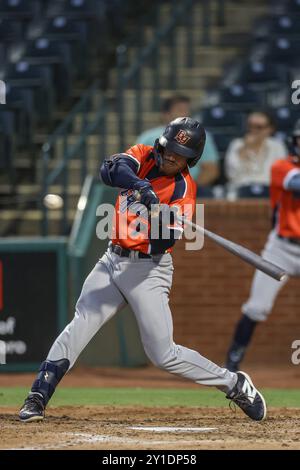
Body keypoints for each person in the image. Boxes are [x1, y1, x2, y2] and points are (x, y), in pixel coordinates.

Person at [19, 117, 266, 422]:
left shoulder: (183, 190)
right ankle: (37, 396)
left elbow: (162, 244)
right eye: (169, 148)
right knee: (80, 324)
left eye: (180, 155)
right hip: (111, 261)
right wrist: (139, 185)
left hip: (148, 270)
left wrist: (158, 215)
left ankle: (234, 384)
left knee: (163, 355)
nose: (171, 157)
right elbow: (108, 170)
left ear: (191, 159)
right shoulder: (144, 155)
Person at [225, 120, 300, 372]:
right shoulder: (282, 166)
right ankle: (233, 362)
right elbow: (296, 184)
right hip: (282, 249)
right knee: (257, 308)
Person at [136, 95, 220, 195]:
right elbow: (134, 167)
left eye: (187, 110)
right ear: (165, 114)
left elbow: (211, 170)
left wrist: (186, 189)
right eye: (180, 110)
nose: (186, 114)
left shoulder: (200, 136)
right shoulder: (147, 137)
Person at [225, 110, 287, 198]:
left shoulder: (277, 146)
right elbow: (232, 175)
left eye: (259, 127)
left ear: (270, 129)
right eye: (250, 126)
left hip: (269, 191)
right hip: (240, 191)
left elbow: (280, 174)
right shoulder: (237, 144)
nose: (253, 130)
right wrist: (245, 149)